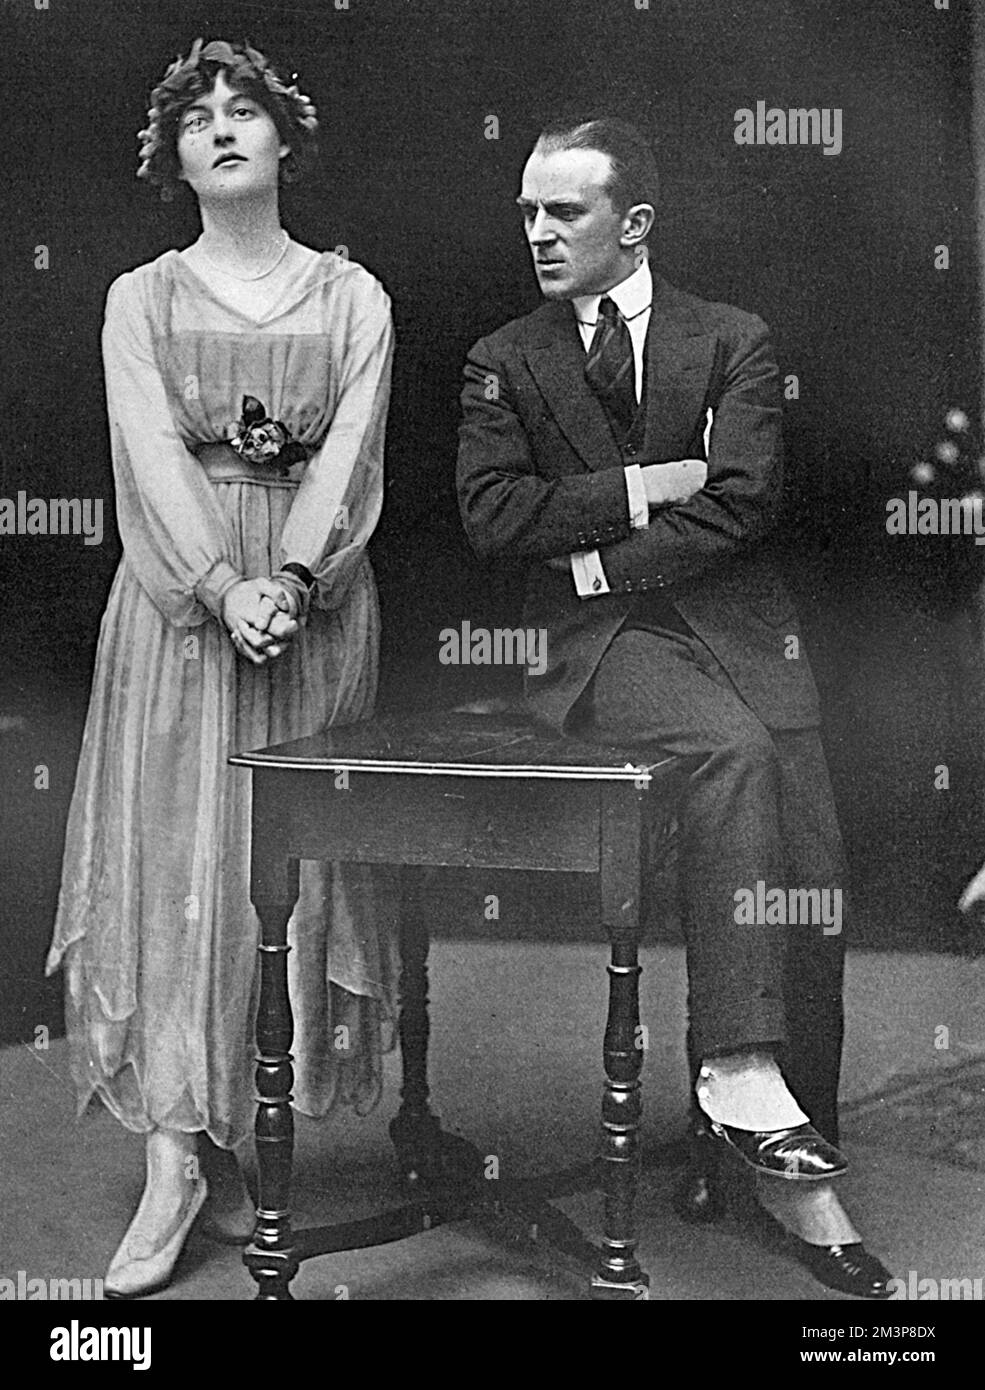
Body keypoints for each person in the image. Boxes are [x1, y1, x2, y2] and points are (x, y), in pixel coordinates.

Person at [456, 115, 893, 1297]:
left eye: (564, 213)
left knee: (808, 861)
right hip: (602, 650)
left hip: (738, 630)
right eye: (528, 213)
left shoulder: (732, 340)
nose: (537, 233)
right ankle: (739, 1074)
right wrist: (651, 480)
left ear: (633, 224)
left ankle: (774, 1162)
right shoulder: (505, 355)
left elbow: (745, 499)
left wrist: (594, 546)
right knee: (733, 754)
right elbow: (493, 516)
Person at [46, 38, 398, 1298]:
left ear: (286, 139)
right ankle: (173, 1155)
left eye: (246, 110)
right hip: (181, 608)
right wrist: (219, 583)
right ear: (173, 155)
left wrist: (291, 579)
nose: (224, 129)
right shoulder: (138, 297)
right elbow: (145, 452)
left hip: (309, 607)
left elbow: (353, 450)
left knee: (281, 857)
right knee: (174, 851)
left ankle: (263, 1122)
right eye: (199, 119)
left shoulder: (355, 298)